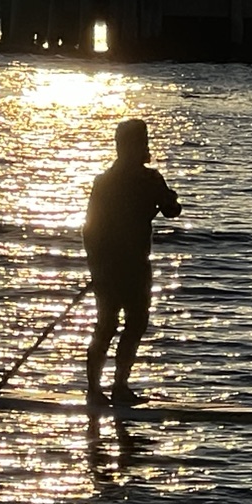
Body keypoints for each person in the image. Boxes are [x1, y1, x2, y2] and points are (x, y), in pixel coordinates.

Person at [83, 117, 182, 406]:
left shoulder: (110, 180)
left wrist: (96, 266)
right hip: (125, 267)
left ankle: (105, 389)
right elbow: (172, 210)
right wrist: (169, 199)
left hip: (119, 266)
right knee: (120, 325)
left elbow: (89, 228)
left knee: (117, 324)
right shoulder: (146, 179)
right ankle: (109, 389)